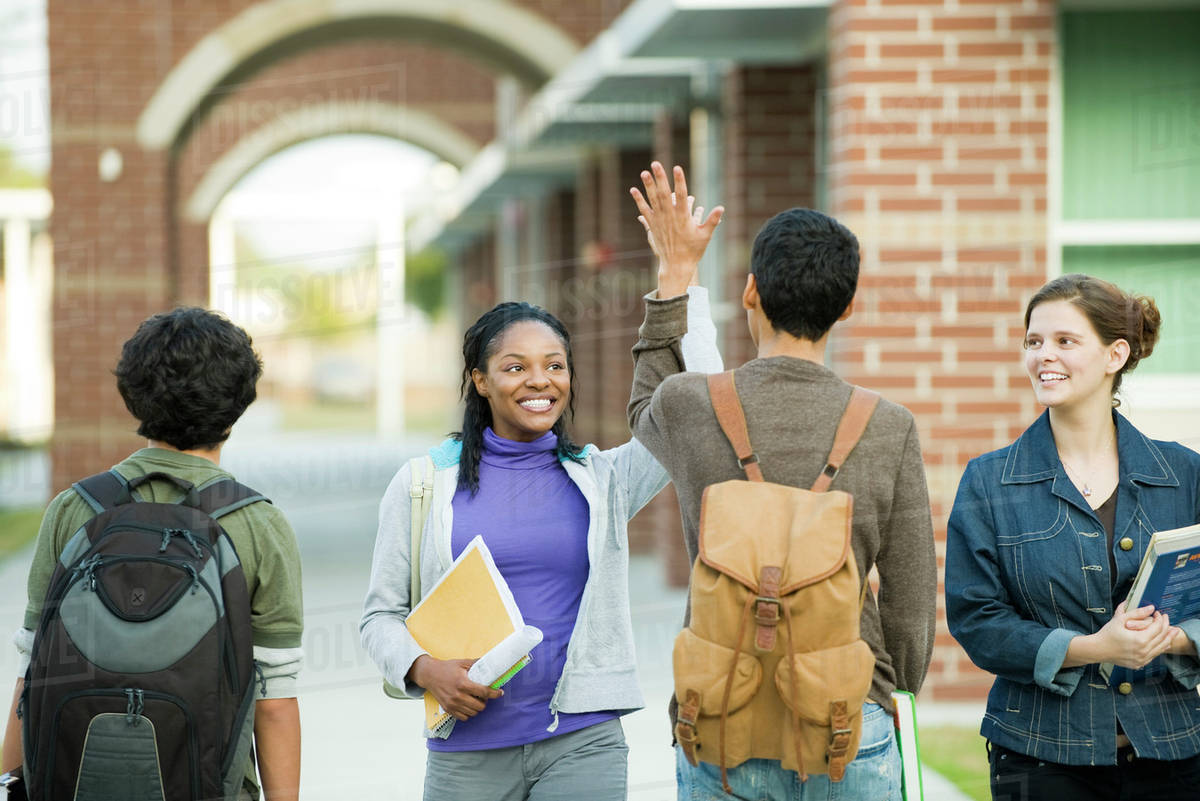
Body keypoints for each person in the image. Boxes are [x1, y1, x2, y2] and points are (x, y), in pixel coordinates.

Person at [360, 255, 723, 799]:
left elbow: (697, 407)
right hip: (467, 753)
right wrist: (424, 669)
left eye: (555, 366)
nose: (540, 381)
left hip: (584, 743)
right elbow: (379, 618)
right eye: (515, 367)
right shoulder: (422, 486)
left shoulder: (604, 480)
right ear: (479, 380)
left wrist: (679, 285)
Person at [626, 162, 936, 800]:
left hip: (719, 718)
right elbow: (910, 601)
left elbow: (641, 412)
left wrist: (674, 279)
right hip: (847, 722)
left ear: (749, 293)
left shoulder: (688, 406)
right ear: (848, 307)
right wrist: (884, 685)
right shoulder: (889, 427)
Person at [1, 307, 304, 801]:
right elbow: (274, 698)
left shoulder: (74, 509)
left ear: (134, 395)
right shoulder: (258, 524)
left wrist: (10, 783)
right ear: (239, 403)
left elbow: (32, 669)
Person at [945, 274, 1200, 800]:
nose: (1044, 357)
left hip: (1176, 754)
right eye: (1034, 342)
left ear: (1115, 355)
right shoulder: (990, 481)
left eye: (1065, 341)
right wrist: (1091, 648)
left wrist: (1171, 639)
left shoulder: (1185, 473)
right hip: (1039, 757)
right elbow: (977, 619)